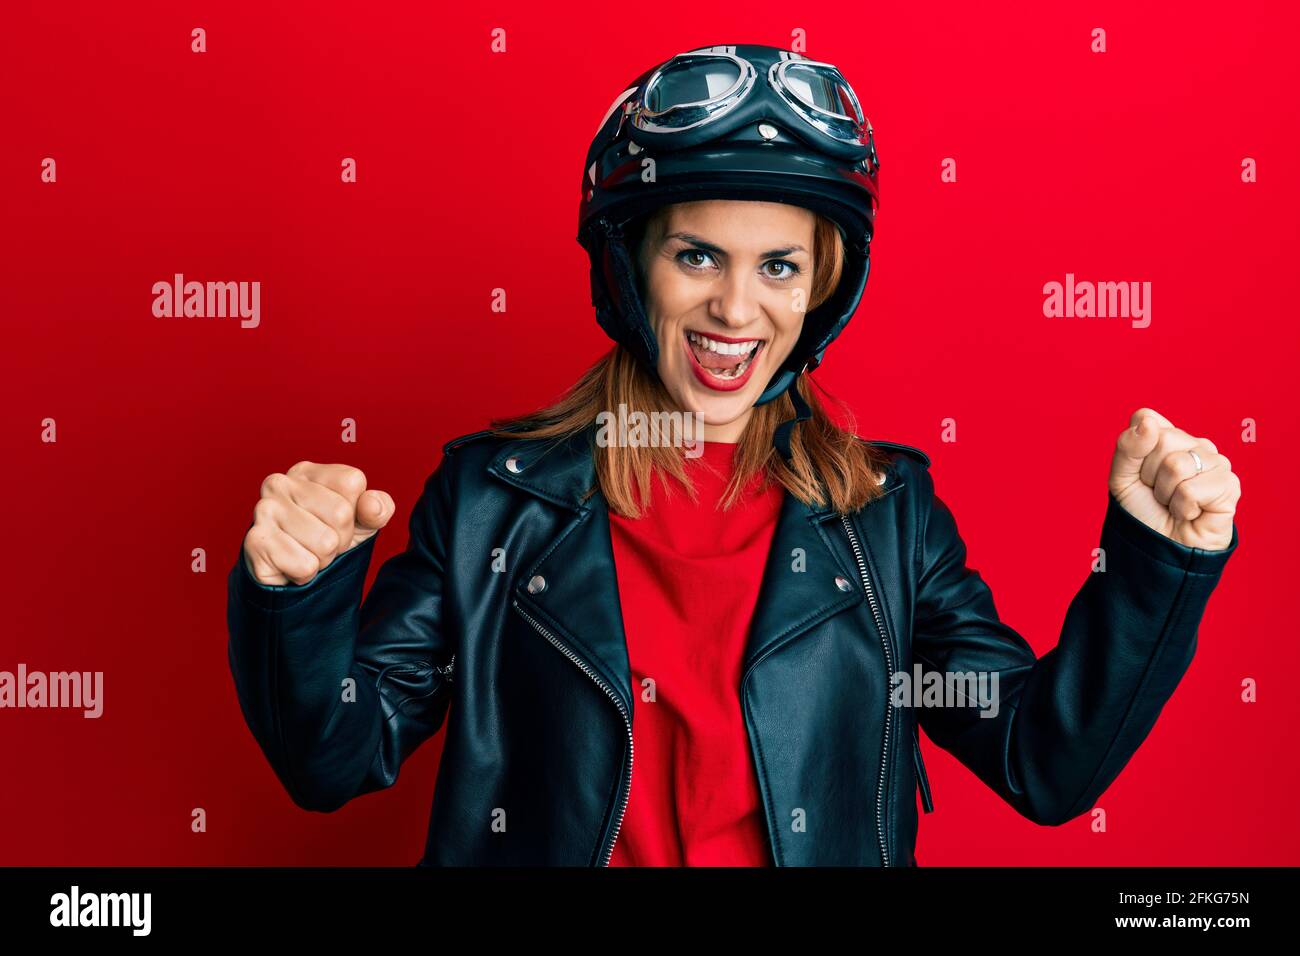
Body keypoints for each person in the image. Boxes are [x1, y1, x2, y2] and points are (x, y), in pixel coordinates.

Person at [227, 43, 1241, 866]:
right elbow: (333, 758)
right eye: (697, 254)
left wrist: (1154, 564)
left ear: (820, 291)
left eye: (779, 266)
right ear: (631, 271)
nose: (736, 308)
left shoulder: (885, 518)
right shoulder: (489, 503)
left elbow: (1042, 760)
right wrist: (296, 594)